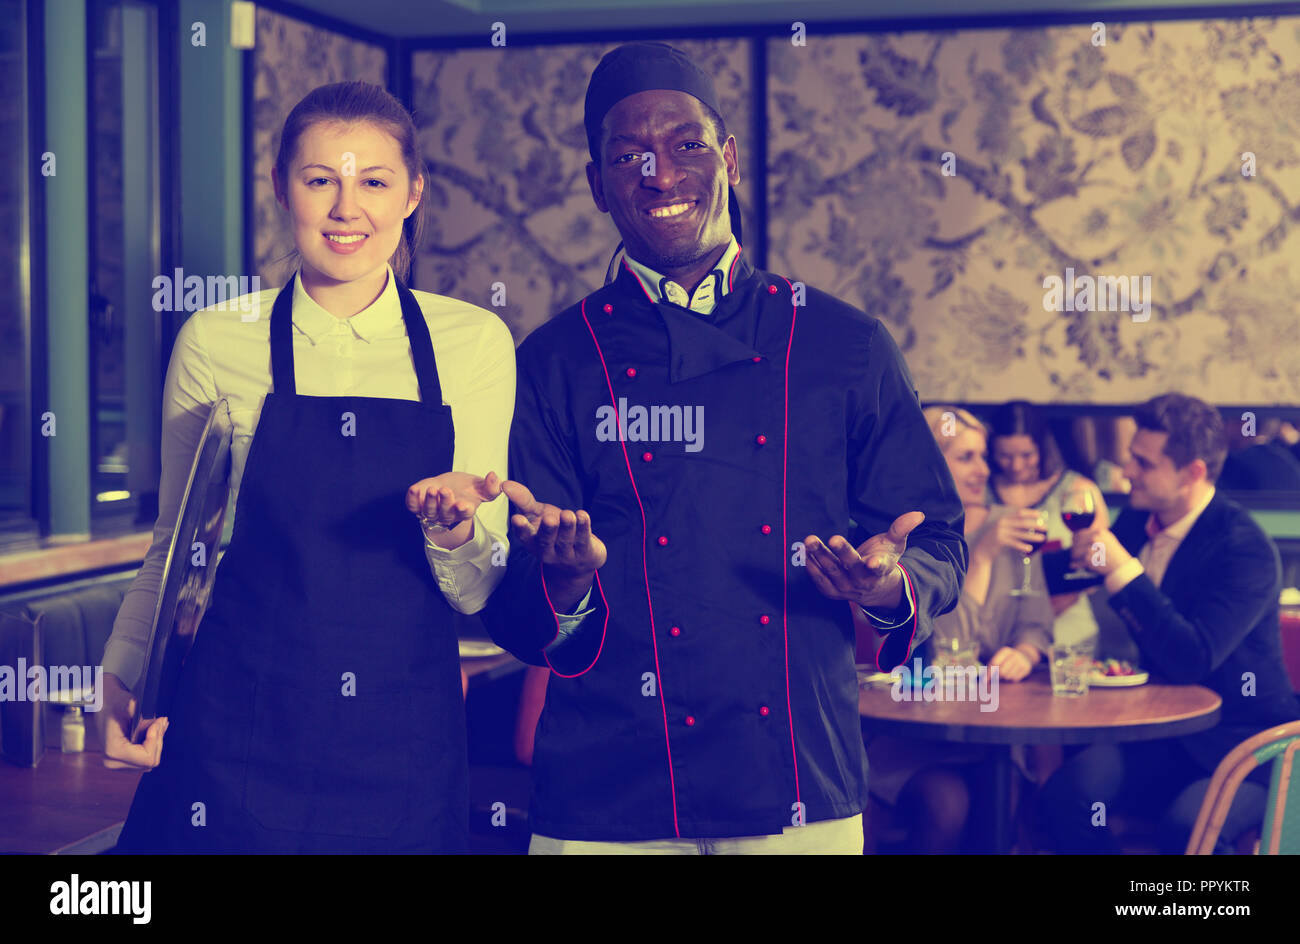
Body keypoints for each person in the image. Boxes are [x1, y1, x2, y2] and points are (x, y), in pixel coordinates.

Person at [482, 42, 967, 854]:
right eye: (628, 155)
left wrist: (887, 585)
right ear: (598, 184)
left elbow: (939, 541)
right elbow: (517, 591)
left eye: (686, 145)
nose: (660, 175)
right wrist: (560, 580)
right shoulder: (550, 361)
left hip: (796, 775)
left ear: (729, 159)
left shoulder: (844, 342)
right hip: (607, 785)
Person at [100, 82, 515, 853]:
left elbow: (478, 590)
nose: (345, 208)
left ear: (413, 194)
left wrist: (456, 532)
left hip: (404, 748)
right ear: (282, 189)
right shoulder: (216, 338)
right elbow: (176, 548)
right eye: (320, 179)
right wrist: (123, 680)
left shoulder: (474, 343)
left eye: (374, 182)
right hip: (236, 731)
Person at [1038, 393, 1300, 854]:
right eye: (1130, 459)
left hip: (1239, 744)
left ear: (1193, 472)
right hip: (1159, 732)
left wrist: (1120, 569)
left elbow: (1191, 658)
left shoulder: (1246, 549)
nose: (1128, 472)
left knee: (1187, 829)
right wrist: (1012, 541)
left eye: (1144, 463)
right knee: (1066, 797)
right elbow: (1079, 572)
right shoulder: (1143, 515)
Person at [866, 406, 1052, 853]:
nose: (984, 469)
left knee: (1008, 793)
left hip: (996, 730)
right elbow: (946, 648)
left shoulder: (1015, 524)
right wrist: (983, 556)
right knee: (948, 801)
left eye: (983, 455)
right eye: (966, 456)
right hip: (918, 736)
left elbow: (1037, 622)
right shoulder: (907, 538)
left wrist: (1026, 652)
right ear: (931, 463)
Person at [985, 400, 1108, 646]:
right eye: (1005, 456)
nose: (1017, 465)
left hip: (1069, 633)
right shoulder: (979, 490)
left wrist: (1045, 609)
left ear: (1042, 447)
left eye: (1026, 455)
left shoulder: (1078, 489)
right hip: (995, 633)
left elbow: (1101, 561)